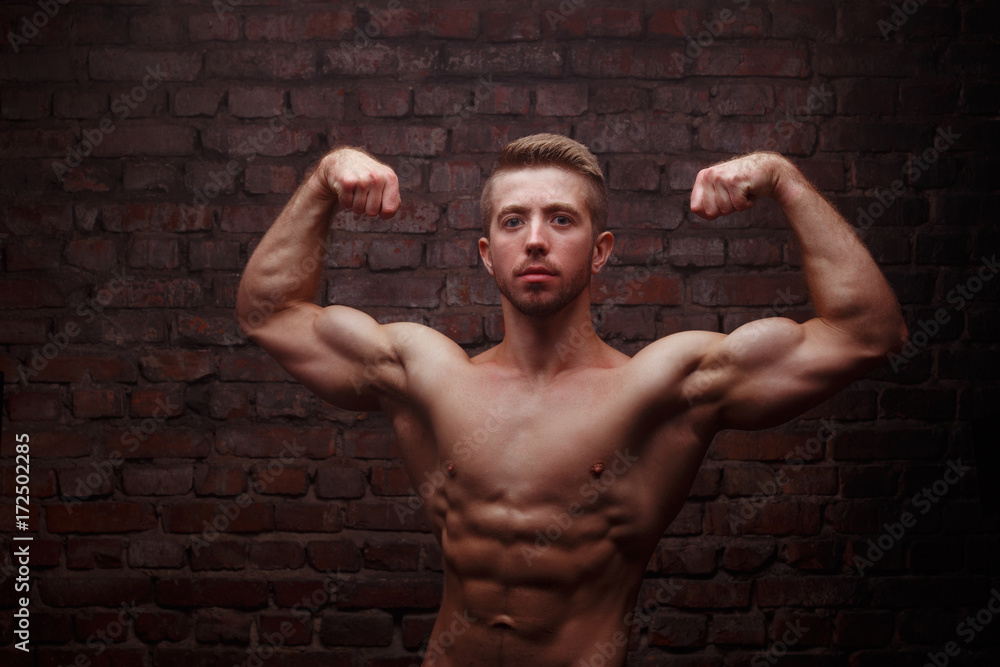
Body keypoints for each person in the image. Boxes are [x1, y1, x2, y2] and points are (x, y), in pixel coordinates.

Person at [235, 134, 907, 665]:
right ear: (485, 253)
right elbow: (268, 312)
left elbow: (868, 332)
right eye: (513, 221)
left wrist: (785, 179)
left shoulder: (662, 388)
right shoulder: (425, 376)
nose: (535, 239)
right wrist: (326, 178)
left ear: (600, 251)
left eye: (561, 219)